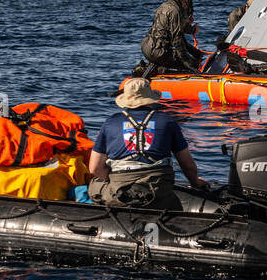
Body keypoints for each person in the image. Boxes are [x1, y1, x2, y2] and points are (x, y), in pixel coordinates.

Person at [87, 78, 209, 210]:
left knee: (94, 185)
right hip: (158, 190)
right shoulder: (168, 122)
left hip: (120, 191)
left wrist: (114, 181)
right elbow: (188, 165)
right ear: (150, 98)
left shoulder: (110, 123)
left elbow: (94, 168)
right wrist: (196, 183)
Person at [140, 0, 201, 73]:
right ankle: (158, 70)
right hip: (159, 52)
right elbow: (177, 40)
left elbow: (176, 31)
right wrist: (188, 62)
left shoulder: (164, 6)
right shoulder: (175, 11)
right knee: (193, 64)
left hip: (147, 46)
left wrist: (195, 52)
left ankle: (147, 67)